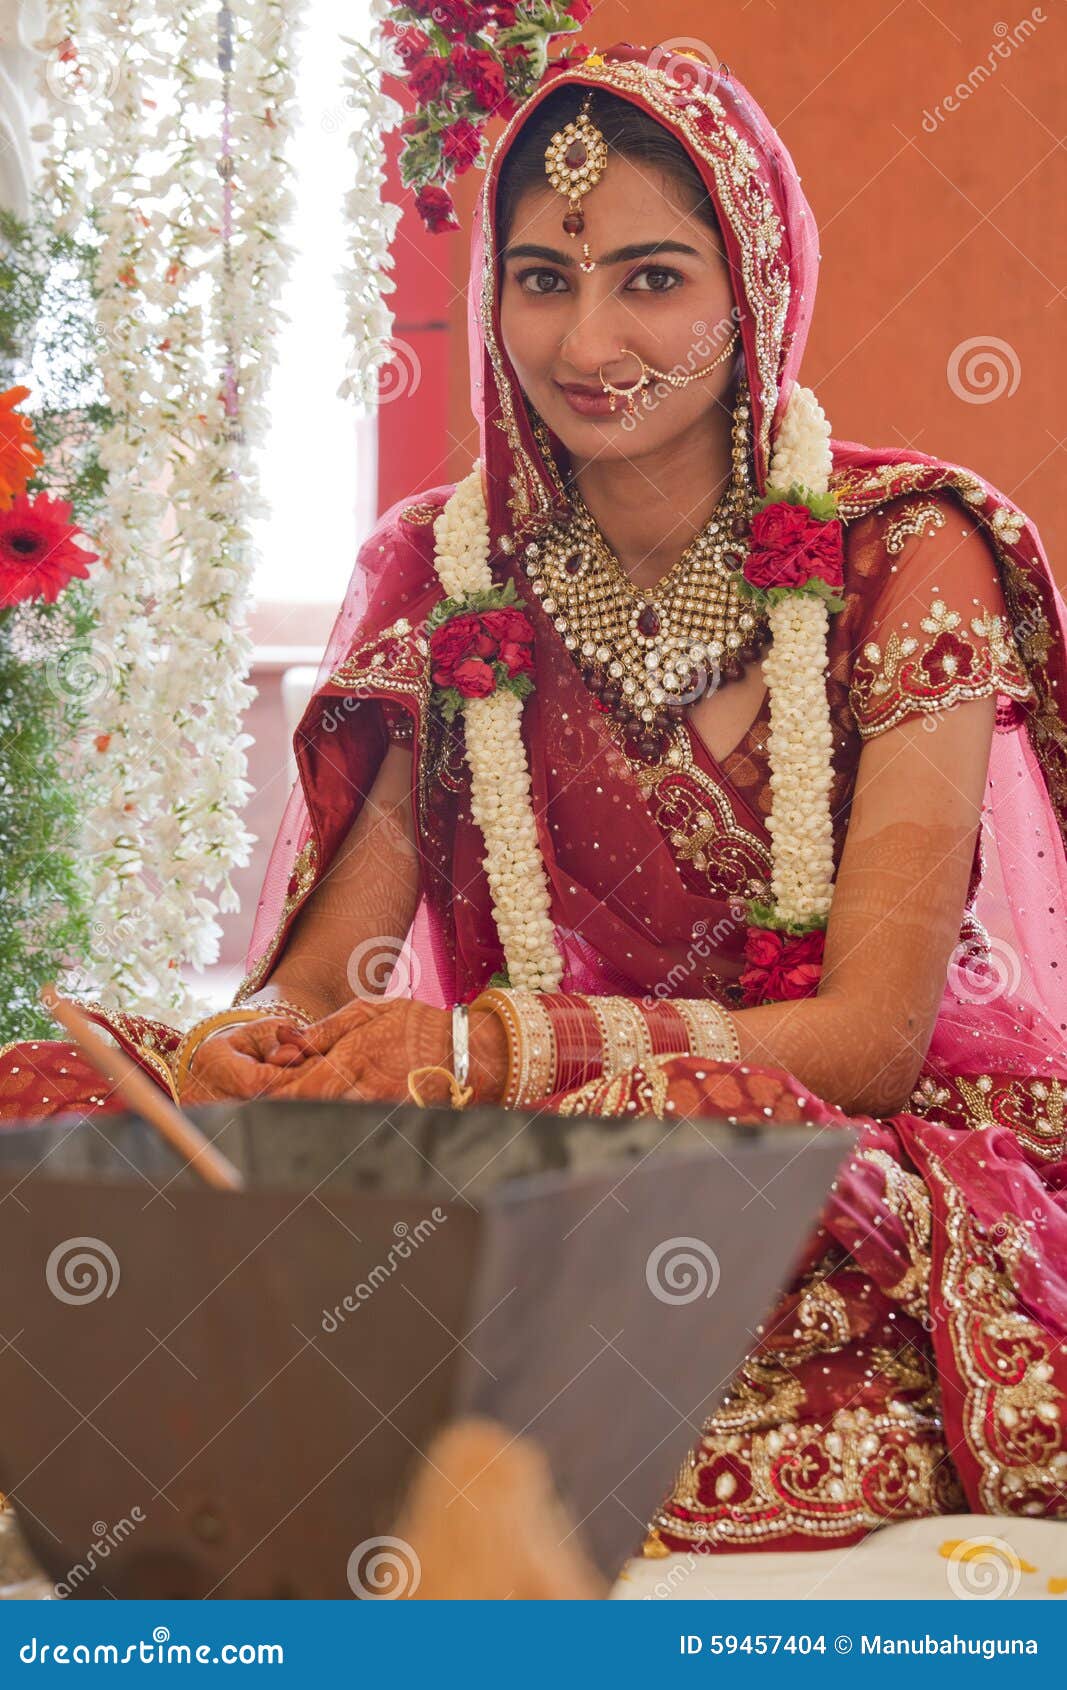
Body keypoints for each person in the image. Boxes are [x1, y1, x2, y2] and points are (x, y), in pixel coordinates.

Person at [3, 43, 1065, 1556]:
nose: (587, 341)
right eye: (541, 280)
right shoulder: (444, 569)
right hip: (491, 1142)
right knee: (45, 1113)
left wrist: (496, 1049)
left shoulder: (906, 552)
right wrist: (266, 1043)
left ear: (755, 290)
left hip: (760, 1132)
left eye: (652, 281)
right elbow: (334, 973)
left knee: (716, 1215)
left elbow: (873, 1039)